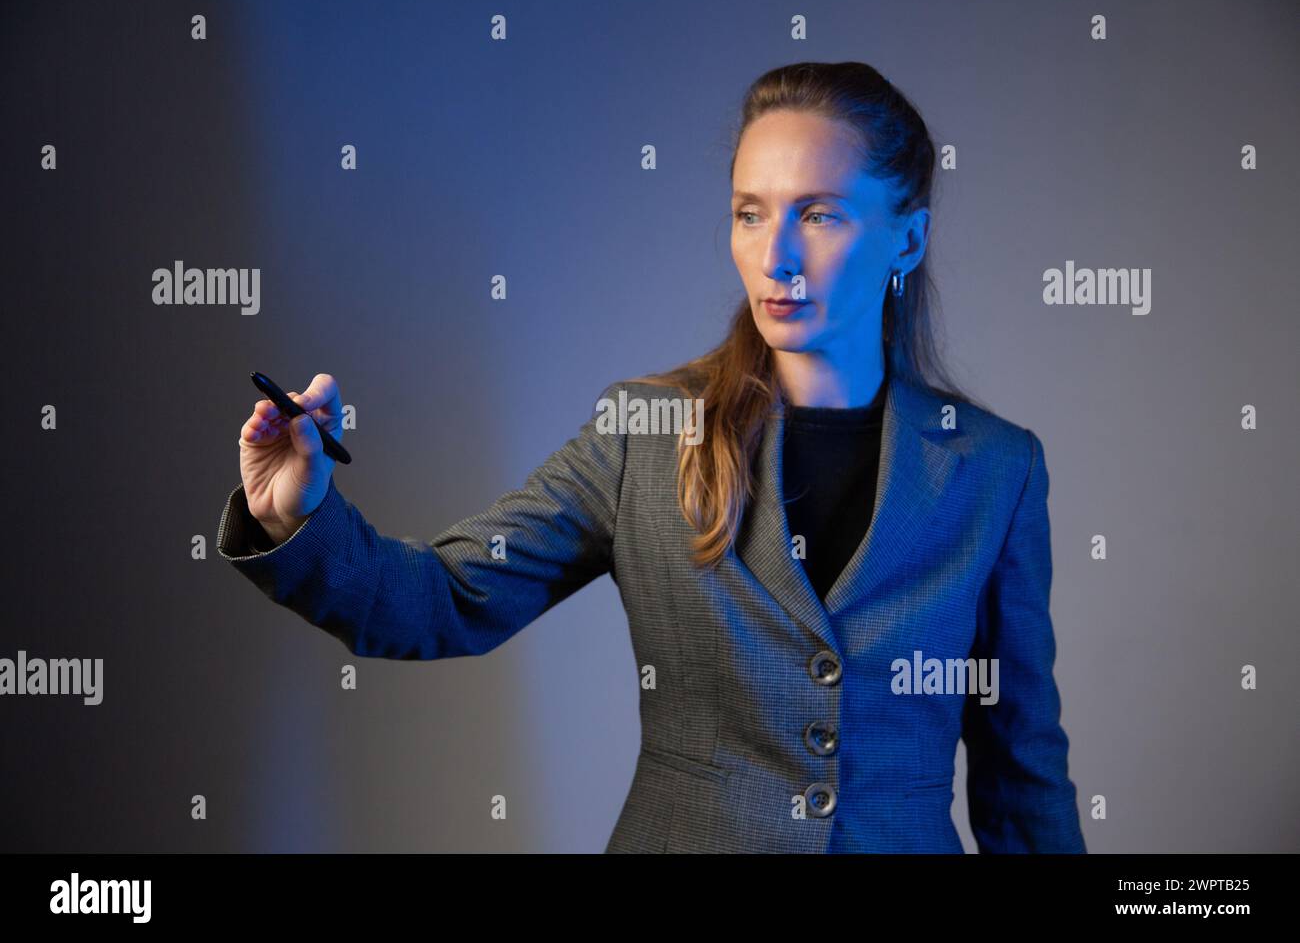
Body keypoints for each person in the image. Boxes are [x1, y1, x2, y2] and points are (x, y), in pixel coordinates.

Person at [218, 61, 1086, 854]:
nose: (776, 255)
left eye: (819, 214)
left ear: (907, 239)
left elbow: (1022, 776)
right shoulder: (645, 430)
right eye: (750, 213)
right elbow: (443, 600)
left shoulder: (996, 469)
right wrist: (297, 514)